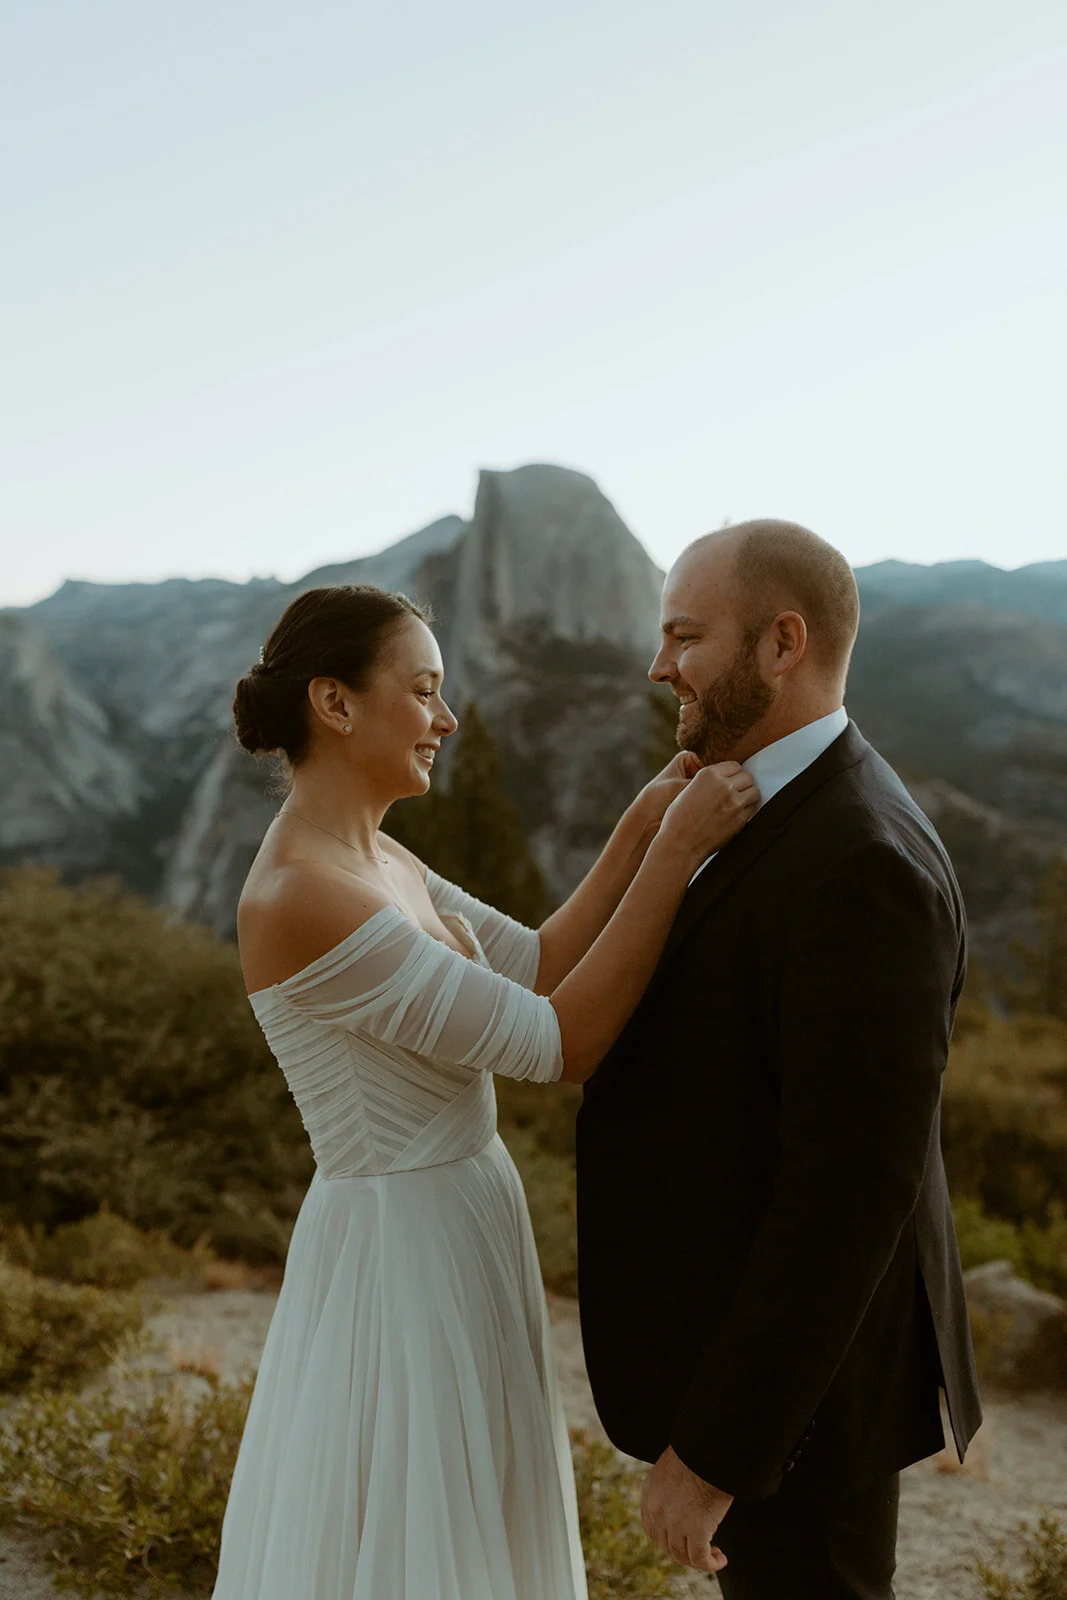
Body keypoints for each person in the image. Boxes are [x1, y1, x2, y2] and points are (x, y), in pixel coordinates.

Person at [215, 581, 759, 1600]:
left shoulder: (378, 856)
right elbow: (560, 1041)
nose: (445, 717)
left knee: (475, 1521)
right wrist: (682, 848)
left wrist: (641, 825)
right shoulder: (305, 893)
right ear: (334, 704)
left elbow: (540, 963)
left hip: (464, 1215)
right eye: (421, 690)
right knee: (414, 1526)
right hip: (400, 1250)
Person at [575, 520, 984, 1599]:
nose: (659, 665)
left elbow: (848, 1196)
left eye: (685, 635)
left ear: (780, 643)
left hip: (806, 1412)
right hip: (762, 1381)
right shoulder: (756, 804)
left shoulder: (862, 860)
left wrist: (719, 1450)